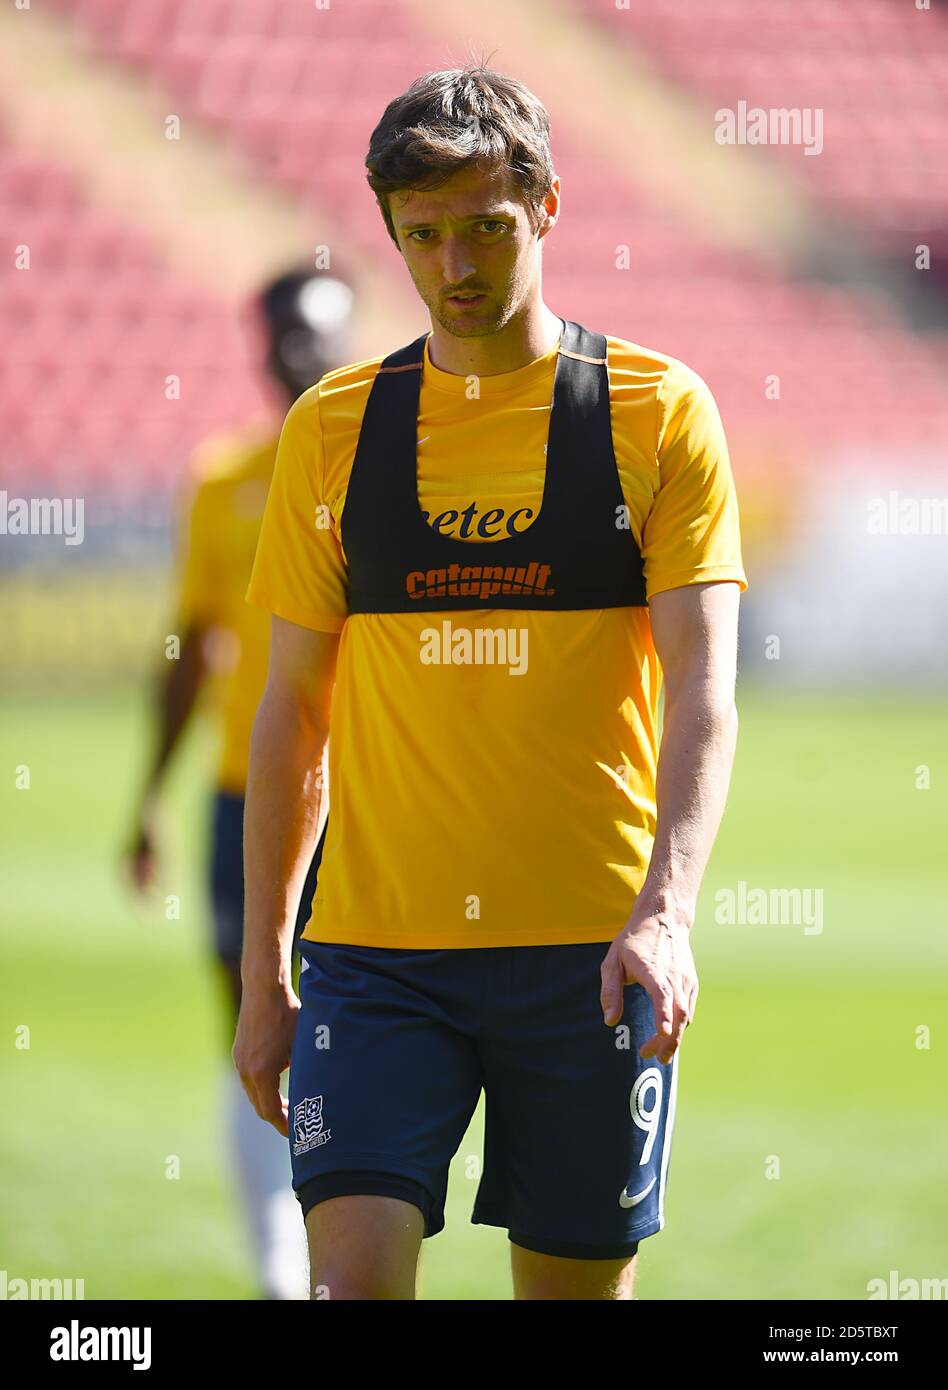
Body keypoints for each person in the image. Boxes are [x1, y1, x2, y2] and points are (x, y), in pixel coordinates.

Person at [235, 66, 747, 1301]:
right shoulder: (332, 427)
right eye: (421, 235)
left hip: (591, 955)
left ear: (549, 207)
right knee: (348, 1287)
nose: (452, 262)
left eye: (483, 227)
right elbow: (292, 713)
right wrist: (266, 974)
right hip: (376, 958)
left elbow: (704, 690)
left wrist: (665, 913)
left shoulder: (658, 412)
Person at [127, 266, 354, 1299]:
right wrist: (144, 796)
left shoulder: (384, 470)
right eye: (285, 337)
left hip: (366, 800)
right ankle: (282, 1264)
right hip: (240, 797)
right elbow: (190, 650)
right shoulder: (221, 483)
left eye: (322, 334)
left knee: (362, 1030)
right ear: (259, 348)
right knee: (257, 1022)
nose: (301, 354)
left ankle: (342, 1250)